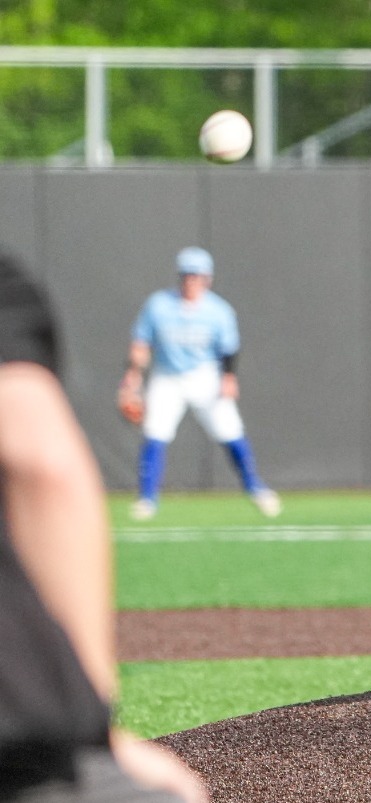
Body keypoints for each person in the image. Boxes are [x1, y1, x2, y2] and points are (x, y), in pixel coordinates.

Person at [0, 249, 209, 802]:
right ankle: (152, 493)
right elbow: (40, 463)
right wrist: (96, 726)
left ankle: (253, 486)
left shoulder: (213, 313)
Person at [116, 247, 280, 521]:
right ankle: (147, 499)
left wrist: (228, 378)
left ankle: (255, 487)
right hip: (167, 376)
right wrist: (132, 375)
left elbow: (229, 350)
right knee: (155, 432)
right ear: (179, 277)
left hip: (205, 375)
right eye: (187, 275)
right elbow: (141, 343)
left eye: (197, 276)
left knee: (229, 430)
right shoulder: (159, 305)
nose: (191, 281)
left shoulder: (218, 311)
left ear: (208, 279)